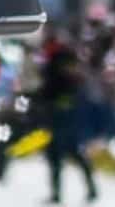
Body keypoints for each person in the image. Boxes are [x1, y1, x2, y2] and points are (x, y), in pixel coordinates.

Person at [40, 29, 99, 204]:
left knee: (68, 151)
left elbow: (71, 83)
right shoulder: (55, 59)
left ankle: (88, 189)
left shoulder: (63, 57)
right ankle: (60, 193)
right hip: (57, 113)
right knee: (59, 154)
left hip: (64, 114)